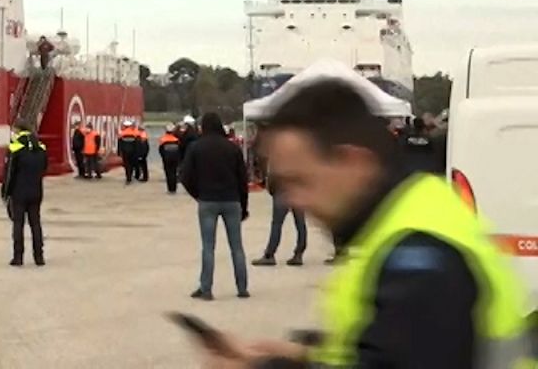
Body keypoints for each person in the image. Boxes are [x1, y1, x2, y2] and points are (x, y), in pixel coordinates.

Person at [190, 79, 534, 368]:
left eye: (302, 181)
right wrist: (299, 358)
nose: (293, 200)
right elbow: (381, 348)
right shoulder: (400, 217)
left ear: (353, 162)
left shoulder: (420, 254)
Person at [180, 112, 250, 300]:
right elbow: (243, 180)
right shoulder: (232, 148)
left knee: (208, 247)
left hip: (208, 200)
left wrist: (199, 194)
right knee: (237, 246)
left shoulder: (196, 147)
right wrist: (244, 206)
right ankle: (242, 287)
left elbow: (185, 176)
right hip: (232, 200)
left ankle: (206, 288)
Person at [252, 130, 307, 267]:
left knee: (277, 223)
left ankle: (270, 254)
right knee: (300, 223)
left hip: (283, 191)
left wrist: (271, 188)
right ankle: (299, 252)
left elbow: (273, 176)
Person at [0, 122, 48, 267]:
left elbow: (9, 174)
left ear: (18, 131)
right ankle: (39, 257)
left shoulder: (15, 148)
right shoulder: (41, 147)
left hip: (19, 192)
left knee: (18, 224)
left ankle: (18, 257)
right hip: (36, 191)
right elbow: (44, 168)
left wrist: (5, 192)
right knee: (36, 223)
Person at [158, 124, 183, 193]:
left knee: (168, 173)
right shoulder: (177, 139)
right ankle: (174, 188)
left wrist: (163, 157)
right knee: (174, 172)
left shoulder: (162, 139)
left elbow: (160, 150)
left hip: (166, 158)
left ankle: (170, 189)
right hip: (175, 158)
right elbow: (179, 150)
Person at [118, 119, 142, 185]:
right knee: (132, 164)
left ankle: (128, 178)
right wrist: (138, 153)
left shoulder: (121, 134)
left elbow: (119, 145)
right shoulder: (136, 133)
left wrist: (119, 153)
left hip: (125, 152)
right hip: (133, 152)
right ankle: (132, 176)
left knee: (127, 165)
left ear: (125, 126)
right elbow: (138, 144)